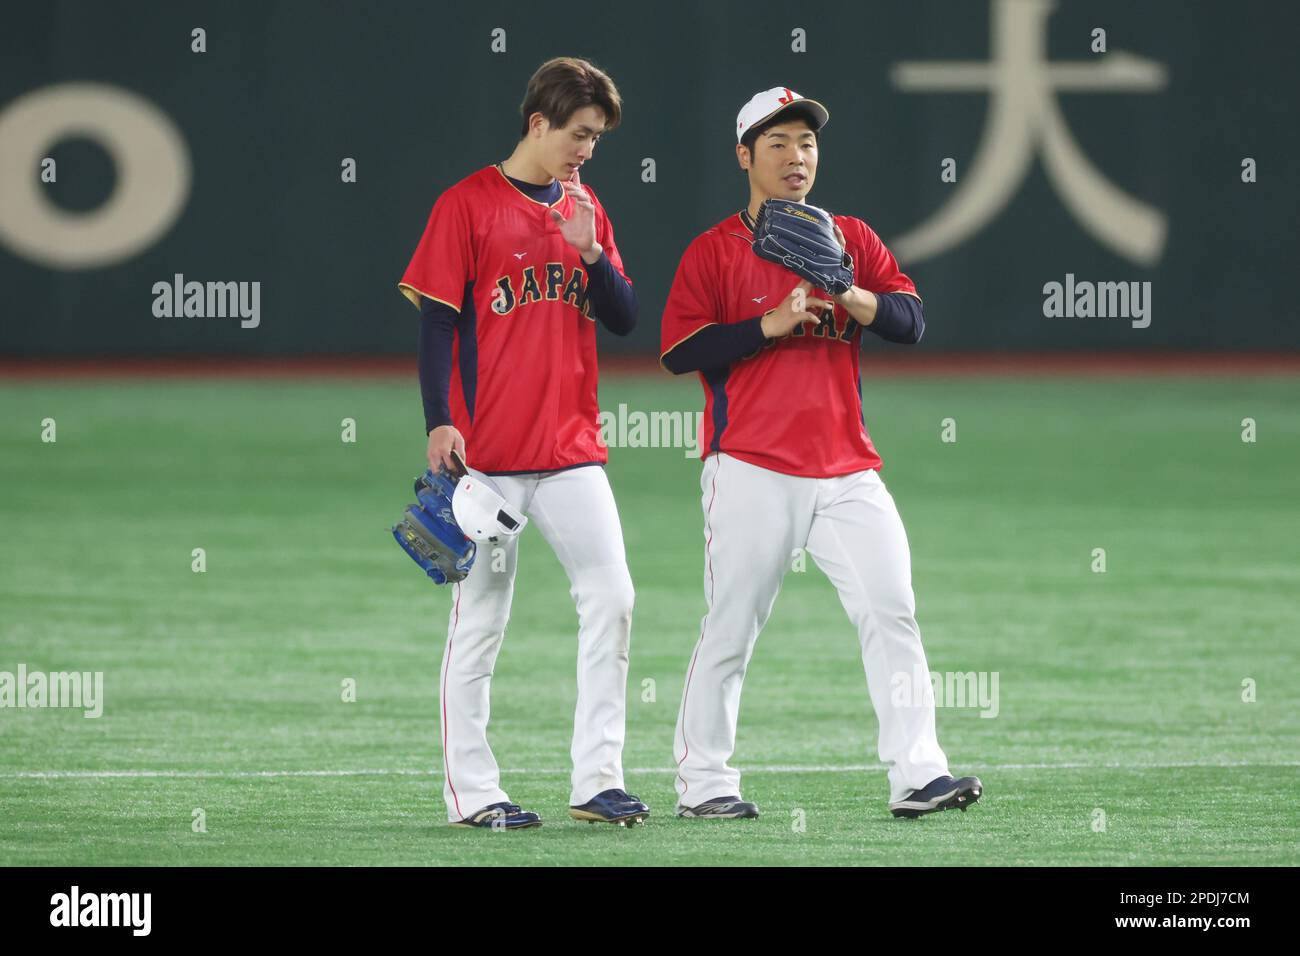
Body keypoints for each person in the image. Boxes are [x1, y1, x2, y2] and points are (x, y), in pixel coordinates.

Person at [659, 86, 982, 820]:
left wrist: (849, 290)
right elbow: (679, 351)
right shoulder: (714, 251)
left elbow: (911, 322)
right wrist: (763, 326)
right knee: (733, 625)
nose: (796, 155)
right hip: (748, 463)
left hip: (848, 470)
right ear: (745, 156)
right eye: (777, 143)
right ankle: (705, 783)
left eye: (806, 142)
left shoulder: (852, 238)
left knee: (893, 611)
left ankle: (918, 774)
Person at [397, 57, 648, 828]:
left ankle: (597, 782)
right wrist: (440, 418)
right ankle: (475, 795)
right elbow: (438, 322)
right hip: (490, 462)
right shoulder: (466, 204)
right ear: (537, 123)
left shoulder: (586, 206)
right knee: (482, 621)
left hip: (571, 450)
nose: (588, 149)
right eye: (579, 133)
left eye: (598, 137)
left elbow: (627, 317)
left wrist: (592, 251)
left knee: (614, 598)